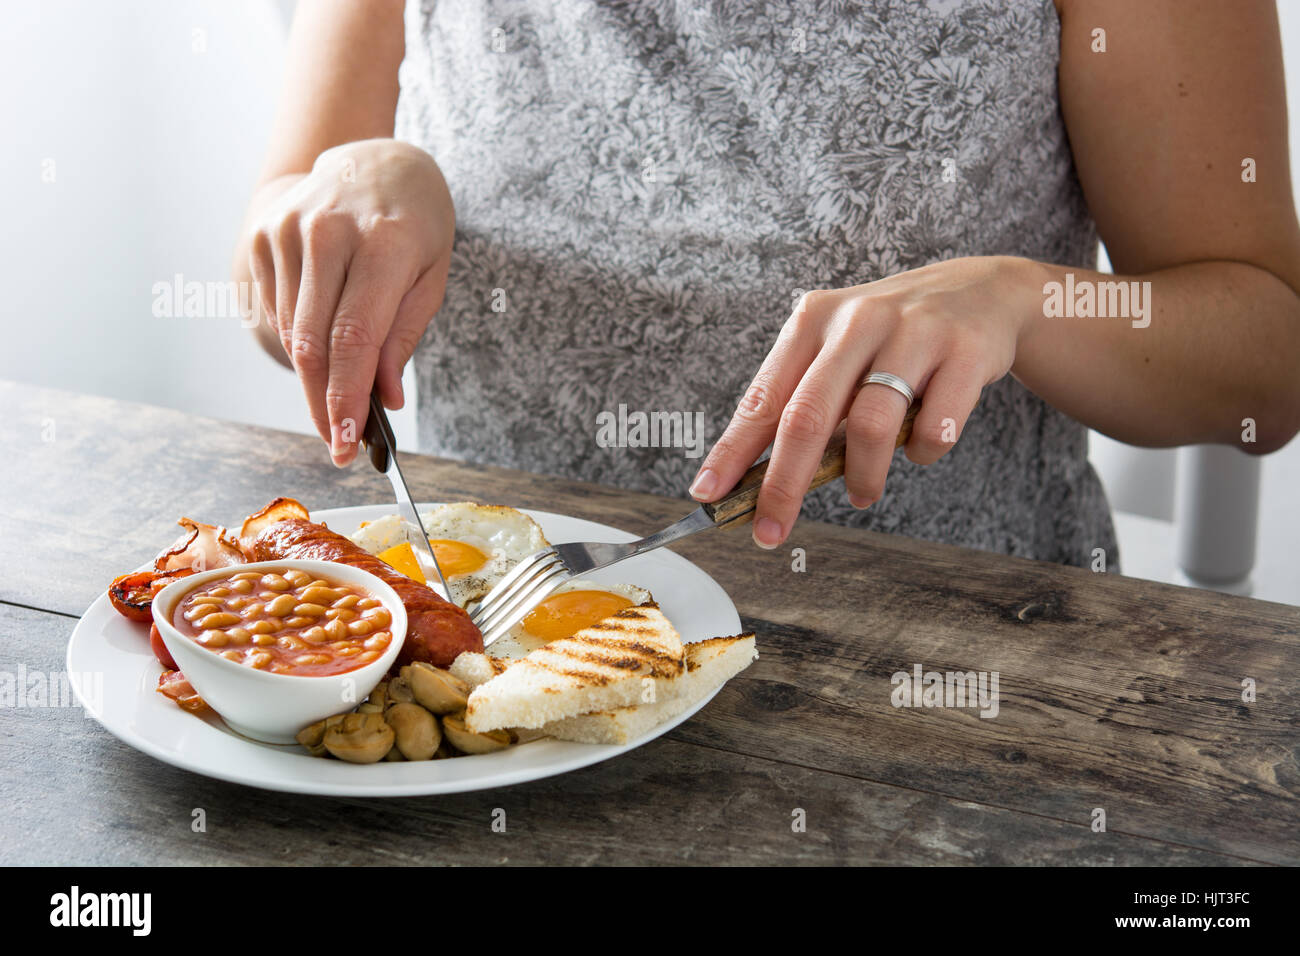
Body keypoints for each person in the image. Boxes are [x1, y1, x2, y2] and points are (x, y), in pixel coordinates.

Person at [233, 0, 1300, 571]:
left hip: (933, 653)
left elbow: (1266, 359)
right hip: (480, 621)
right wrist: (353, 185)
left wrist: (1021, 300)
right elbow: (275, 280)